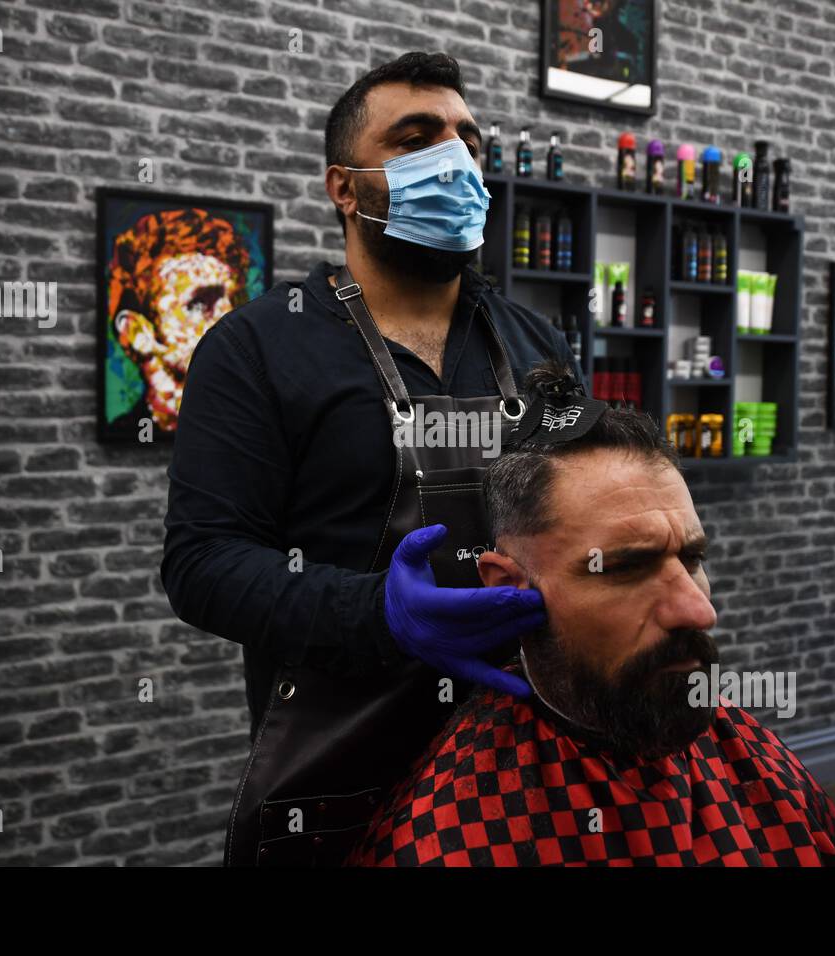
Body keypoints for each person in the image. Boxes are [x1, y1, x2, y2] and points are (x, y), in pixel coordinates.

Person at [161, 52, 582, 866]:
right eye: (416, 139)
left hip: (531, 754)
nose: (454, 160)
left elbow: (581, 510)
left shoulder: (537, 343)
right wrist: (378, 614)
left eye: (468, 140)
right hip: (341, 773)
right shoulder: (256, 347)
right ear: (344, 188)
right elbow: (203, 563)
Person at [346, 361, 835, 866]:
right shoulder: (449, 833)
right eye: (625, 569)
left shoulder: (753, 757)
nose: (699, 610)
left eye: (691, 560)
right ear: (508, 585)